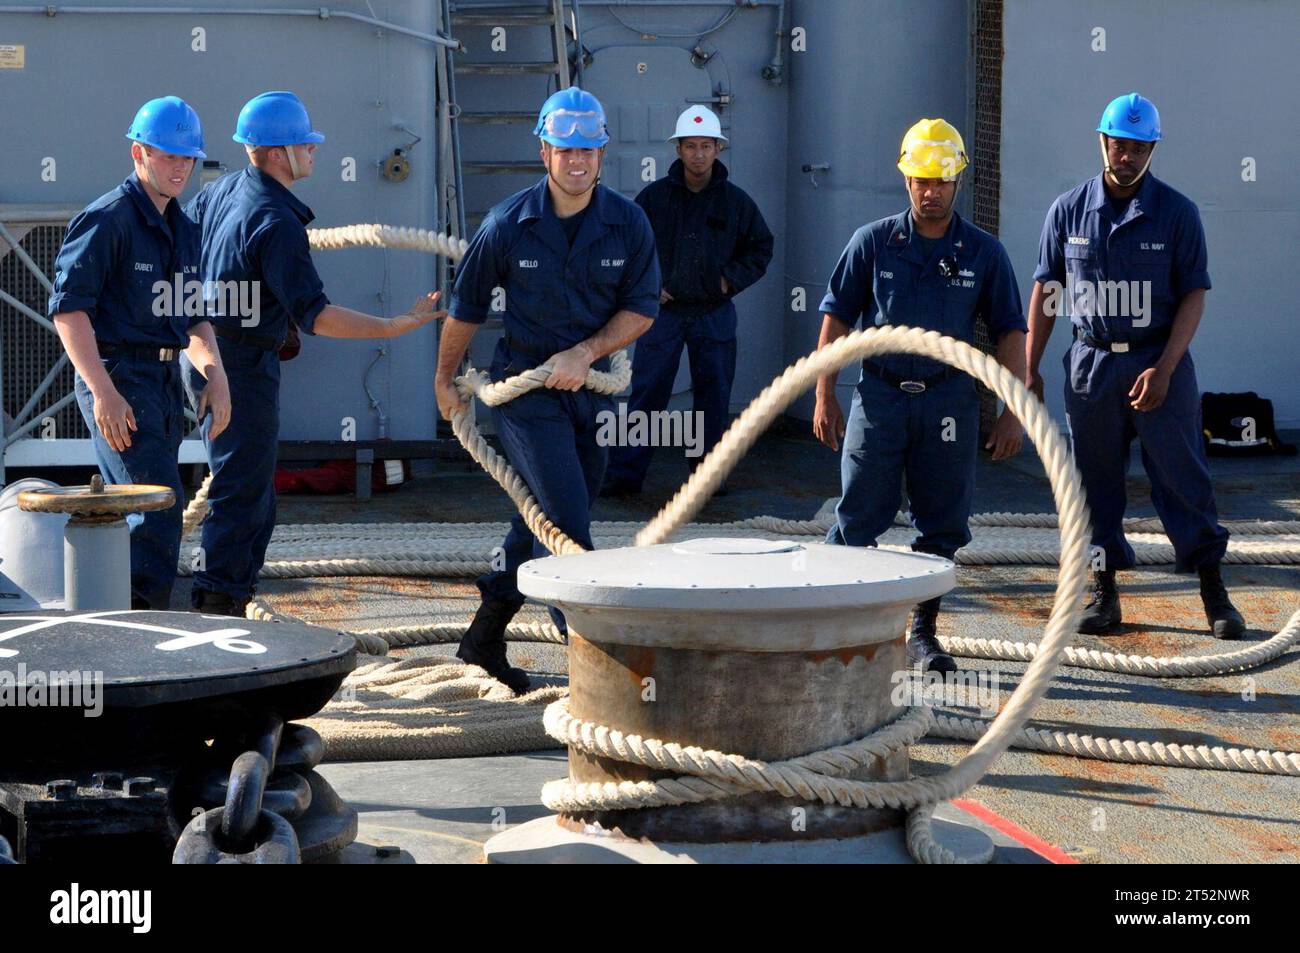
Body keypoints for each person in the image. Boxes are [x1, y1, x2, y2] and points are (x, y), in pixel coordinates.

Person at [435, 87, 660, 693]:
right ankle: (603, 673)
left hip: (593, 394)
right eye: (566, 149)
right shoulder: (507, 223)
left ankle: (482, 640)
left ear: (603, 151)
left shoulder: (628, 222)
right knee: (567, 525)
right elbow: (466, 307)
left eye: (589, 148)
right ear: (544, 151)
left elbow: (641, 308)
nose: (578, 160)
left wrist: (586, 353)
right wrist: (444, 379)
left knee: (539, 521)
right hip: (526, 398)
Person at [184, 91, 443, 616]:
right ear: (280, 152)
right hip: (240, 366)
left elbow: (185, 246)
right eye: (307, 143)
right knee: (242, 489)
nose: (315, 151)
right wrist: (395, 325)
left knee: (249, 485)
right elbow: (317, 315)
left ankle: (227, 592)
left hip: (208, 351)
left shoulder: (225, 190)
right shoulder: (276, 222)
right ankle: (220, 605)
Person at [1026, 92, 1244, 639]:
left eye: (1138, 148)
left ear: (1152, 151)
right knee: (1093, 484)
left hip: (1158, 364)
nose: (1126, 156)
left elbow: (1194, 295)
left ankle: (1214, 593)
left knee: (1182, 475)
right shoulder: (1068, 211)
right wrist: (1029, 369)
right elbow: (1048, 288)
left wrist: (1166, 367)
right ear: (1102, 142)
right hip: (1091, 366)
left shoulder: (1176, 214)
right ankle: (1105, 594)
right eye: (1118, 145)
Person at [813, 119, 1027, 673]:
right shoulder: (873, 243)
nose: (930, 192)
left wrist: (1013, 411)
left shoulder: (983, 253)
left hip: (948, 401)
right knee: (858, 515)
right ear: (906, 179)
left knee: (942, 521)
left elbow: (1009, 331)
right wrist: (824, 394)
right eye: (920, 181)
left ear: (957, 181)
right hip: (879, 398)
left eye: (940, 181)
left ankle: (922, 634)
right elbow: (836, 319)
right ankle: (837, 630)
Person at [50, 96, 230, 610]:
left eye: (187, 158)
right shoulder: (108, 220)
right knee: (151, 512)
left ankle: (128, 624)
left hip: (161, 382)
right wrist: (103, 392)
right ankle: (138, 632)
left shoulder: (183, 227)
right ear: (139, 154)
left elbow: (193, 315)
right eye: (168, 156)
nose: (180, 168)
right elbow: (69, 313)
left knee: (152, 508)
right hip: (117, 376)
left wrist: (215, 375)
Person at [601, 105, 773, 496]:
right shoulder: (652, 199)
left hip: (713, 314)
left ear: (718, 149)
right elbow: (628, 248)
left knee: (714, 398)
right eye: (691, 146)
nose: (698, 154)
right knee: (647, 393)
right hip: (661, 317)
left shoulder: (737, 203)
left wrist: (729, 282)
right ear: (678, 149)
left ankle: (707, 480)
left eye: (706, 146)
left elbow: (761, 248)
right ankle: (625, 477)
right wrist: (648, 285)